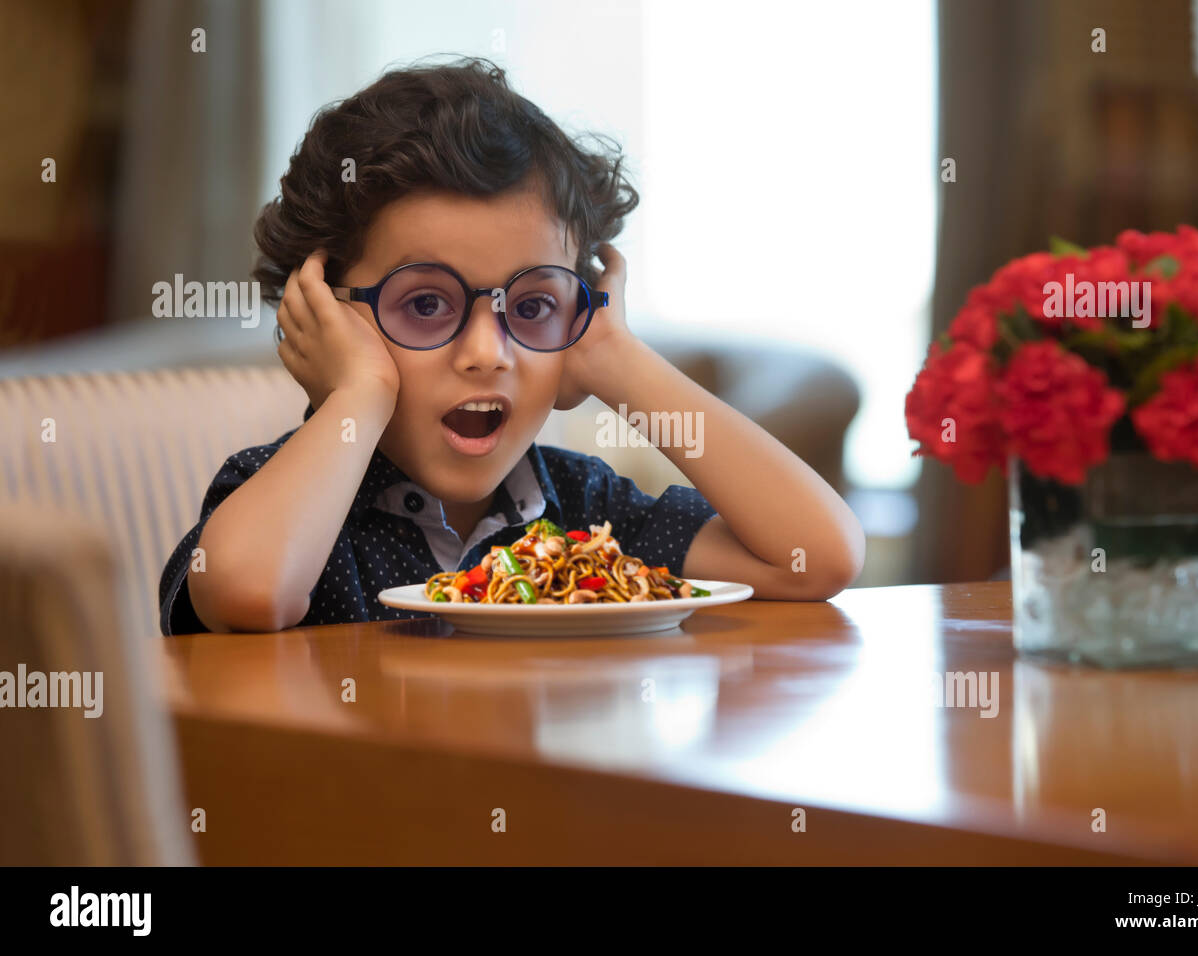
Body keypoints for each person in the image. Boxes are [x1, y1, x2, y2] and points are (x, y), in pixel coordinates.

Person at [158, 57, 863, 634]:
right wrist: (360, 393)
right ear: (324, 317)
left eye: (532, 307)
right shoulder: (271, 495)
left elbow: (818, 557)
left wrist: (617, 359)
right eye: (427, 304)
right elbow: (252, 593)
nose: (489, 352)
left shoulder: (584, 512)